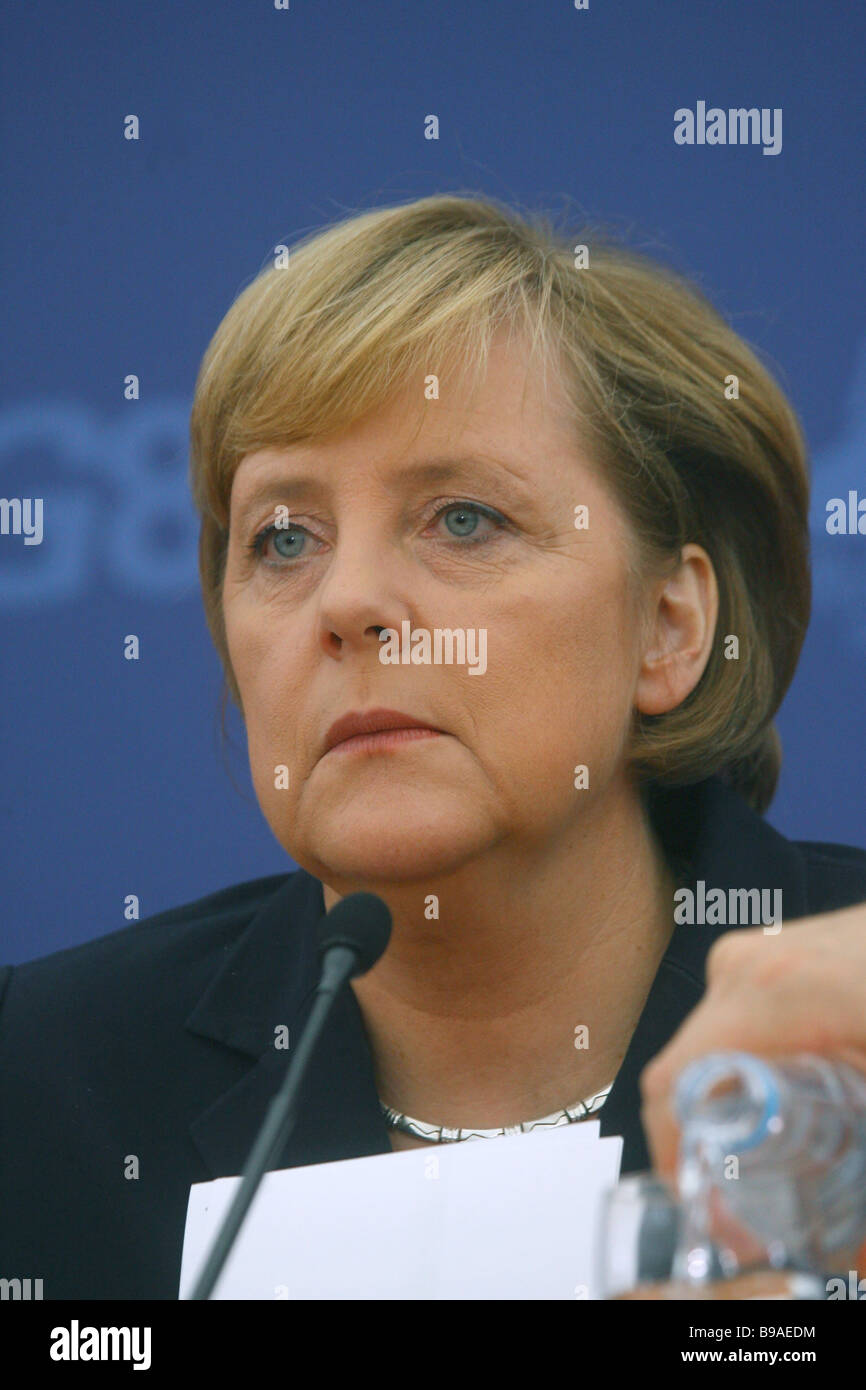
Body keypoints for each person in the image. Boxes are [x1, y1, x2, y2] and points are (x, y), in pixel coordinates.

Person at [1, 192, 865, 1300]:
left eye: (463, 519)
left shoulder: (844, 1024)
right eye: (282, 538)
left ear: (667, 627)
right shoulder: (51, 1080)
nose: (347, 600)